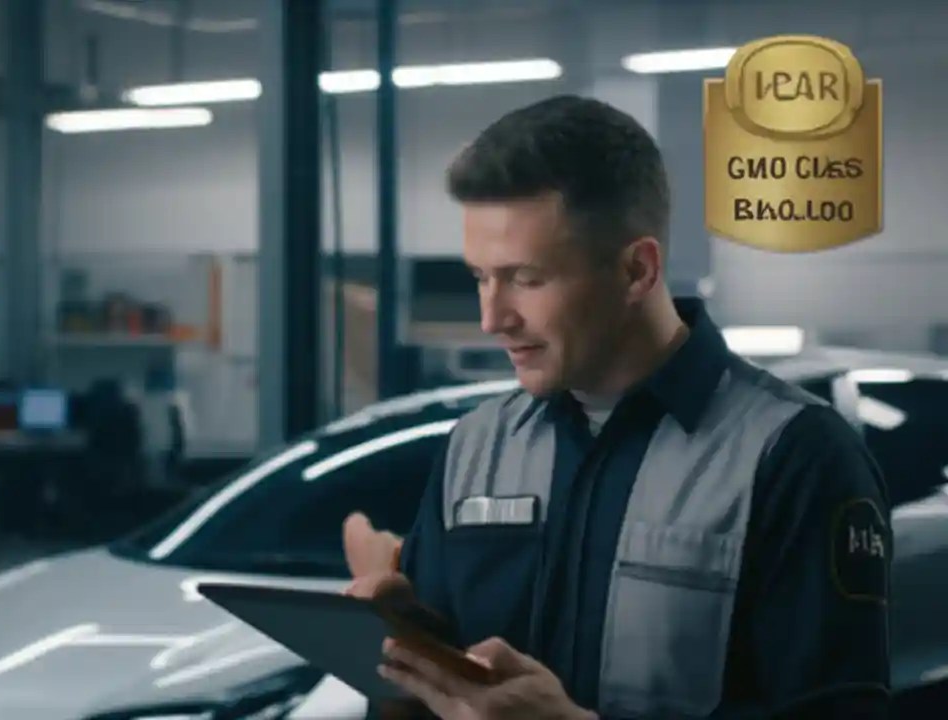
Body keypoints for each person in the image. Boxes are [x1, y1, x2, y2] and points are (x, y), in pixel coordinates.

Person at [343, 95, 891, 719]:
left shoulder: (795, 457)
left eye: (526, 278)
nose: (492, 318)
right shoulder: (475, 447)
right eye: (479, 277)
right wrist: (395, 658)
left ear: (637, 270)